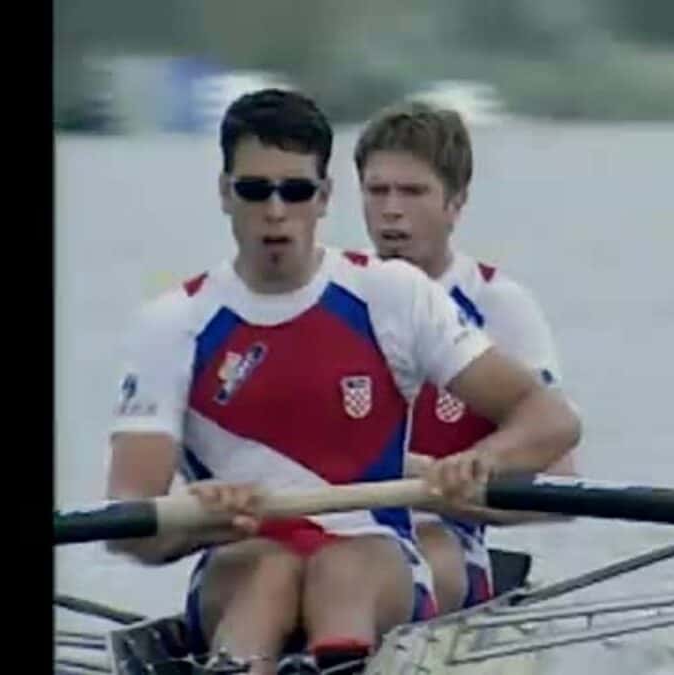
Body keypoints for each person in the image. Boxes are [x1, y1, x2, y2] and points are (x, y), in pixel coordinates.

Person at [103, 88, 581, 675]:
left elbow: (552, 418)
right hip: (241, 561)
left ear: (325, 196)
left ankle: (313, 662)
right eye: (255, 190)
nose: (275, 211)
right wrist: (189, 516)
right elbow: (129, 521)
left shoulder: (392, 295)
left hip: (375, 557)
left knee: (341, 568)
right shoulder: (170, 324)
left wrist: (482, 460)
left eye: (296, 190)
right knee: (268, 569)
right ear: (225, 194)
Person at [352, 100, 578, 614]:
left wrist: (466, 478)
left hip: (444, 540)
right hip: (331, 534)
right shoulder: (330, 297)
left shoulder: (499, 305)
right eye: (377, 191)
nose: (391, 210)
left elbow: (559, 477)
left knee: (424, 546)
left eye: (413, 192)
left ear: (456, 203)